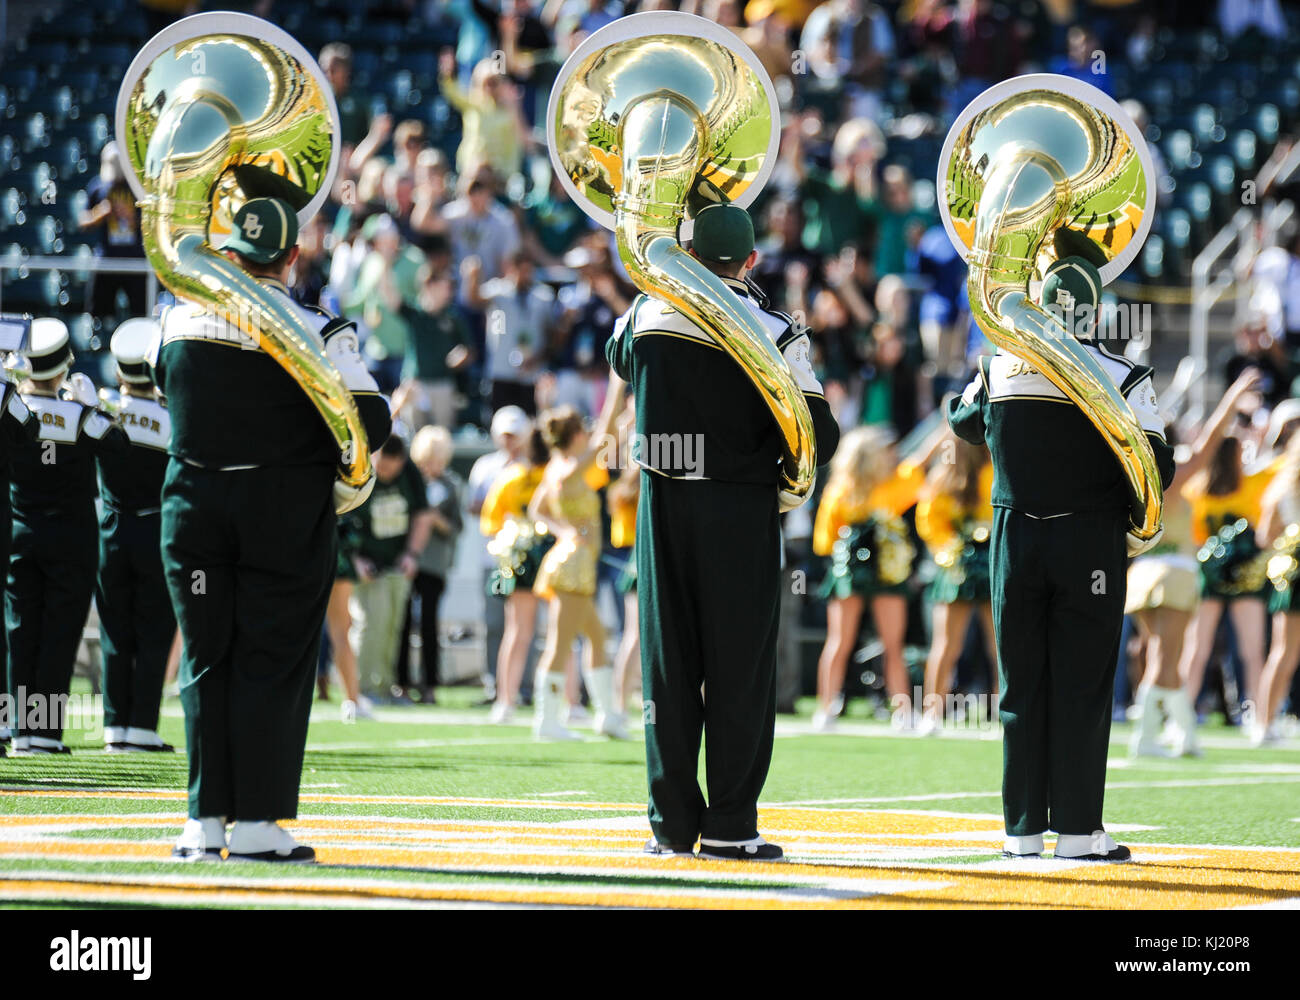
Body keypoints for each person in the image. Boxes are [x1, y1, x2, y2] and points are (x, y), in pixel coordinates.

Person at [154, 198, 392, 862]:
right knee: (272, 660)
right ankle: (257, 821)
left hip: (193, 507)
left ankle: (203, 821)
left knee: (206, 657)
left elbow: (165, 392)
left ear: (226, 254)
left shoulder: (175, 319)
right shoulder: (319, 328)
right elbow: (372, 424)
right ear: (293, 256)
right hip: (283, 515)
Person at [606, 204, 840, 860]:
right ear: (751, 261)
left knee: (667, 667)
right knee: (740, 671)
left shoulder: (648, 313)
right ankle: (733, 827)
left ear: (688, 254)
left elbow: (616, 356)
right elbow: (822, 434)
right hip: (739, 506)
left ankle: (671, 829)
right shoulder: (774, 327)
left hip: (663, 501)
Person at [948, 256, 1175, 862]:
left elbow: (962, 421)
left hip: (1016, 540)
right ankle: (1078, 831)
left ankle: (1020, 831)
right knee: (1082, 686)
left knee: (1020, 686)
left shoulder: (998, 367)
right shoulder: (1122, 375)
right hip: (1089, 545)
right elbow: (1160, 466)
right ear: (1095, 310)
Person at [8, 319, 127, 754]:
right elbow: (120, 446)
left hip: (21, 530)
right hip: (71, 536)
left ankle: (18, 728)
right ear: (62, 367)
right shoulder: (81, 417)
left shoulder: (14, 407)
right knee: (60, 632)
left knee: (20, 629)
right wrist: (91, 406)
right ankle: (45, 733)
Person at [96, 319, 177, 752]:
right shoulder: (171, 419)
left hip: (110, 528)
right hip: (155, 528)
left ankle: (114, 727)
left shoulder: (102, 410)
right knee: (153, 628)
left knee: (115, 630)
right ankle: (142, 727)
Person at [811, 425, 926, 729]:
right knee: (840, 641)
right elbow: (824, 541)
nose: (893, 456)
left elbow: (921, 460)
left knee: (892, 643)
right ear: (869, 456)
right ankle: (826, 708)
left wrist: (944, 427)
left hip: (887, 572)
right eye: (885, 451)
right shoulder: (839, 491)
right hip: (849, 572)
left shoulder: (893, 484)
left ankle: (903, 711)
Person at [528, 389, 626, 740]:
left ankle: (608, 716)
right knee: (560, 643)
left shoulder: (557, 468)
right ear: (576, 435)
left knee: (597, 638)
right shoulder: (569, 467)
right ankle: (547, 721)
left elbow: (537, 510)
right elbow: (605, 436)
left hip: (576, 564)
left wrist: (563, 529)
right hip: (572, 565)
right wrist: (615, 389)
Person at [915, 434, 997, 733]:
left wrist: (947, 551)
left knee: (947, 645)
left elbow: (928, 523)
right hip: (972, 564)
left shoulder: (945, 476)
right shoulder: (991, 472)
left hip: (962, 565)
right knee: (995, 645)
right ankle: (1002, 715)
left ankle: (931, 715)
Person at [344, 435, 434, 701]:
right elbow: (342, 517)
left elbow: (423, 514)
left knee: (394, 626)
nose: (386, 472)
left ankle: (385, 686)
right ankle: (361, 688)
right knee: (370, 624)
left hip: (397, 562)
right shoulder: (359, 472)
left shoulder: (410, 473)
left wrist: (412, 554)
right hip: (366, 563)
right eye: (382, 466)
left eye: (391, 467)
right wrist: (355, 560)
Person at [481, 426, 551, 722]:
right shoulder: (557, 477)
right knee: (561, 632)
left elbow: (490, 524)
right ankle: (566, 704)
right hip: (548, 558)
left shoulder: (510, 478)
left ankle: (505, 701)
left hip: (526, 559)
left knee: (518, 632)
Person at [467, 405, 531, 703]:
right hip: (492, 558)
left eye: (514, 435)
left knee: (525, 625)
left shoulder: (532, 466)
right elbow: (473, 506)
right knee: (494, 623)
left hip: (525, 560)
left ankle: (526, 687)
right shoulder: (485, 466)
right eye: (505, 435)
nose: (509, 441)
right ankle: (495, 685)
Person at [395, 426, 463, 703]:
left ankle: (430, 684)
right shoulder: (409, 481)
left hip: (434, 563)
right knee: (401, 621)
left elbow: (457, 526)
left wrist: (436, 520)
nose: (433, 465)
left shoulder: (451, 485)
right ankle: (400, 681)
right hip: (406, 560)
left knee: (429, 624)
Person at [1253, 431, 1300, 745]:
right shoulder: (1285, 484)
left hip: (1290, 571)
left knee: (1284, 651)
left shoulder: (1281, 483)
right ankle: (1264, 722)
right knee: (1285, 652)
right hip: (1294, 572)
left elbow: (1264, 537)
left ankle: (1265, 723)